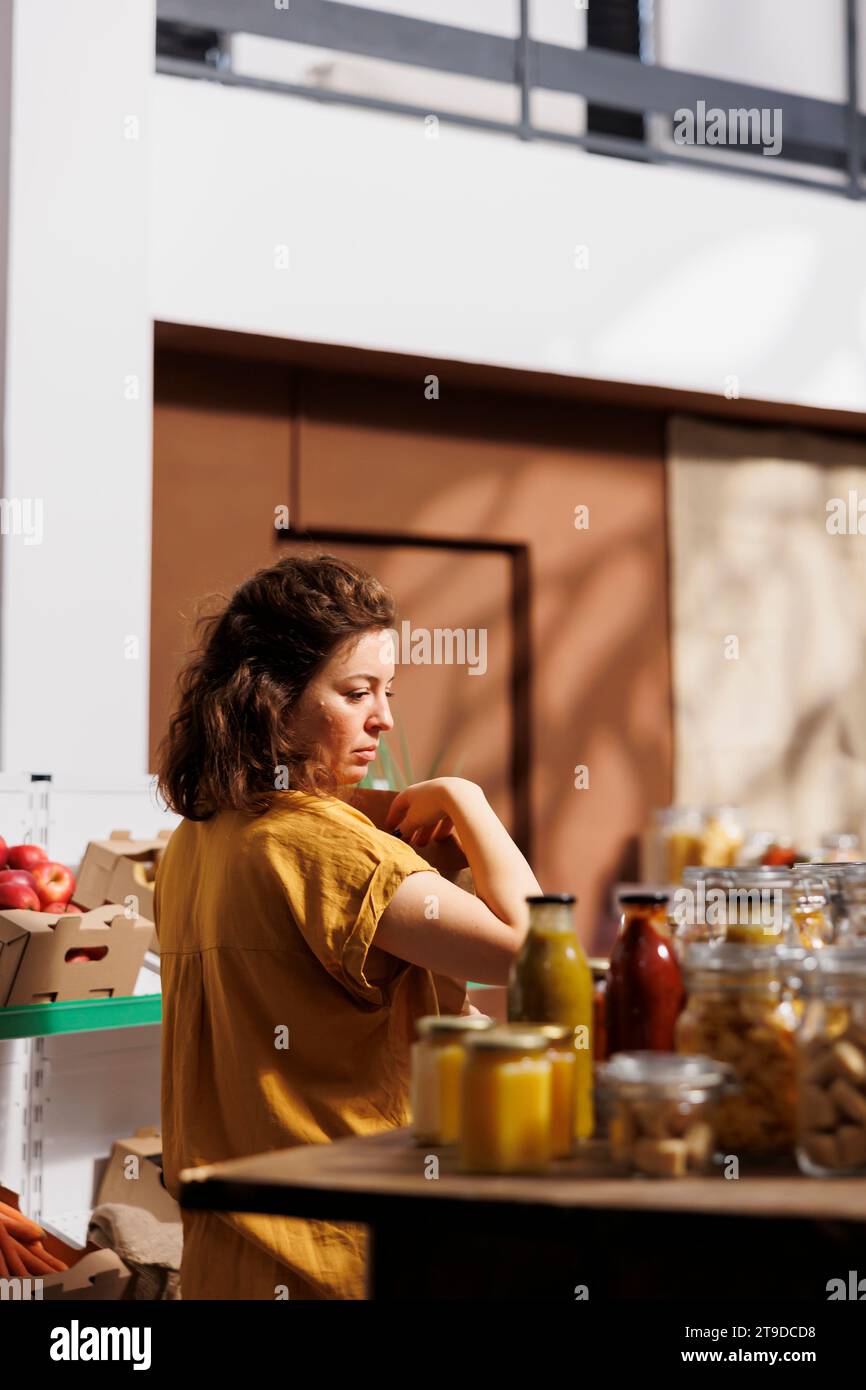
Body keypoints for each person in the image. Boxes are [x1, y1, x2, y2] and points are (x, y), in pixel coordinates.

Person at [154, 552, 541, 1299]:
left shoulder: (197, 839)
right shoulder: (326, 847)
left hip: (223, 1258)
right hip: (341, 1261)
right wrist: (467, 799)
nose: (384, 717)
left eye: (387, 690)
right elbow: (533, 951)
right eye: (356, 691)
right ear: (270, 698)